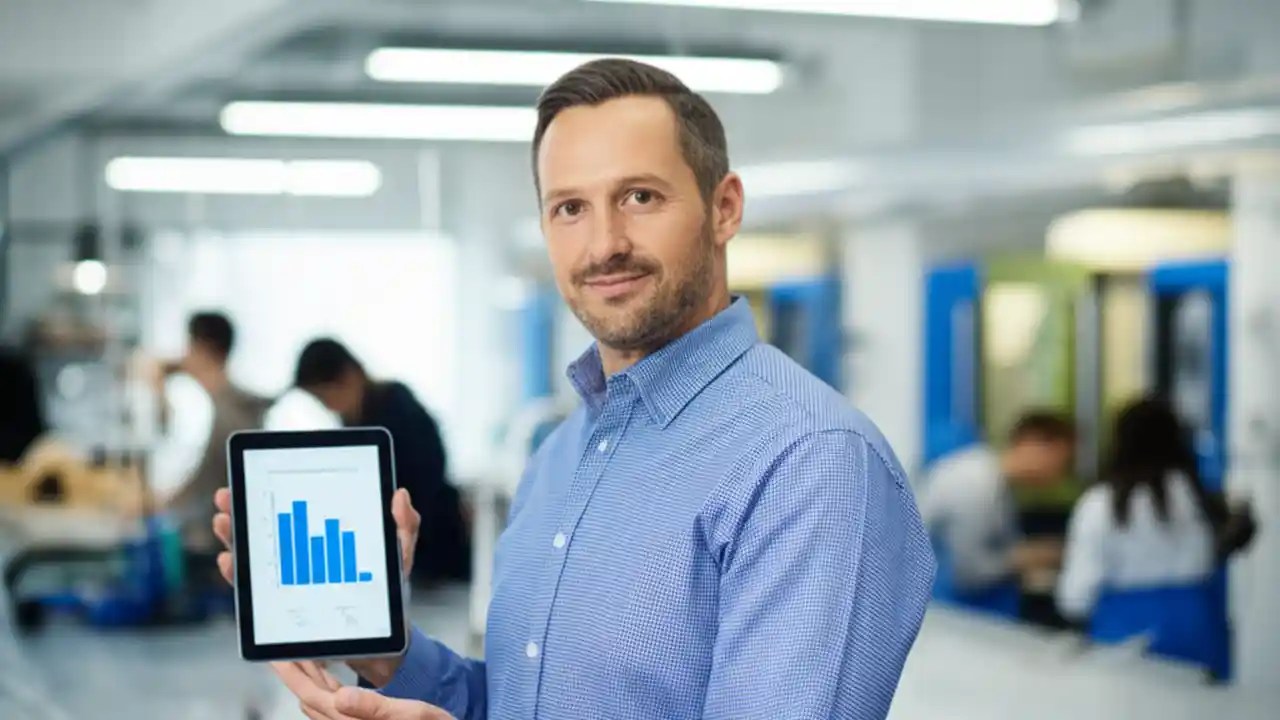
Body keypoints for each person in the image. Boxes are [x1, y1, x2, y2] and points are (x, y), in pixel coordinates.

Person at [213, 58, 933, 720]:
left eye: (640, 197)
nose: (603, 245)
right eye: (570, 208)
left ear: (724, 208)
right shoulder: (562, 454)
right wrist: (386, 654)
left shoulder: (811, 462)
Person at [1055, 397, 1230, 673]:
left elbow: (1076, 597)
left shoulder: (1101, 503)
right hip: (1198, 628)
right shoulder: (1195, 497)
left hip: (1127, 635)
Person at [293, 338, 470, 584]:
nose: (330, 407)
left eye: (327, 396)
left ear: (350, 376)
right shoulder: (356, 420)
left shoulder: (399, 411)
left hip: (431, 550)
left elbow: (424, 486)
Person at [918, 411, 1076, 616]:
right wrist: (1026, 558)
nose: (1060, 475)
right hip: (949, 614)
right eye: (1061, 463)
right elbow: (968, 574)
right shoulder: (973, 485)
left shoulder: (996, 482)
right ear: (1034, 445)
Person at [155, 312, 270, 556]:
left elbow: (208, 483)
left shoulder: (231, 414)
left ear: (201, 348)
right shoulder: (232, 404)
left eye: (188, 346)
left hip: (216, 546)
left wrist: (159, 504)